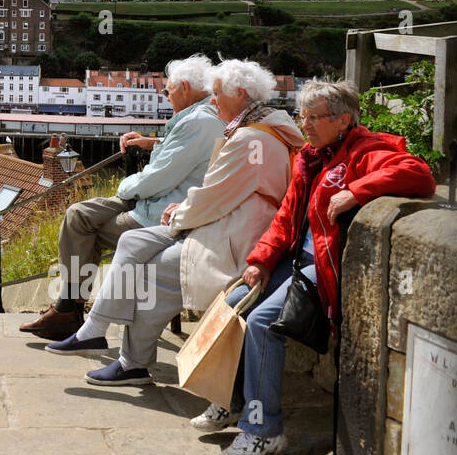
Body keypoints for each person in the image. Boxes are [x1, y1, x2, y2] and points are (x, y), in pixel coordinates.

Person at [193, 79, 436, 455]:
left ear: (342, 120)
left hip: (320, 270)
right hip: (293, 261)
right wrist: (260, 260)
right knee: (234, 302)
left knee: (263, 324)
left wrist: (358, 191)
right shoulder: (310, 156)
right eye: (301, 115)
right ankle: (233, 400)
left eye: (314, 117)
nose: (305, 124)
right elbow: (287, 217)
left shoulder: (366, 149)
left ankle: (264, 431)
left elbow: (418, 173)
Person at [44, 59, 305, 392]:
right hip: (221, 223)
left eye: (217, 94)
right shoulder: (263, 127)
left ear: (240, 93)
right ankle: (92, 331)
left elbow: (217, 196)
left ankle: (132, 363)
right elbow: (225, 191)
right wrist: (184, 207)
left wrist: (180, 213)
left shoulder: (251, 140)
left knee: (152, 272)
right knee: (132, 243)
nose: (212, 101)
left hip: (234, 237)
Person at [20, 55, 222, 339]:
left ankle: (69, 309)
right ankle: (69, 309)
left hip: (160, 210)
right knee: (78, 215)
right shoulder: (200, 118)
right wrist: (154, 142)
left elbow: (159, 177)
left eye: (168, 90)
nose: (165, 96)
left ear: (185, 87)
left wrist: (124, 187)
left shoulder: (199, 122)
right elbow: (185, 154)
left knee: (86, 227)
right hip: (157, 201)